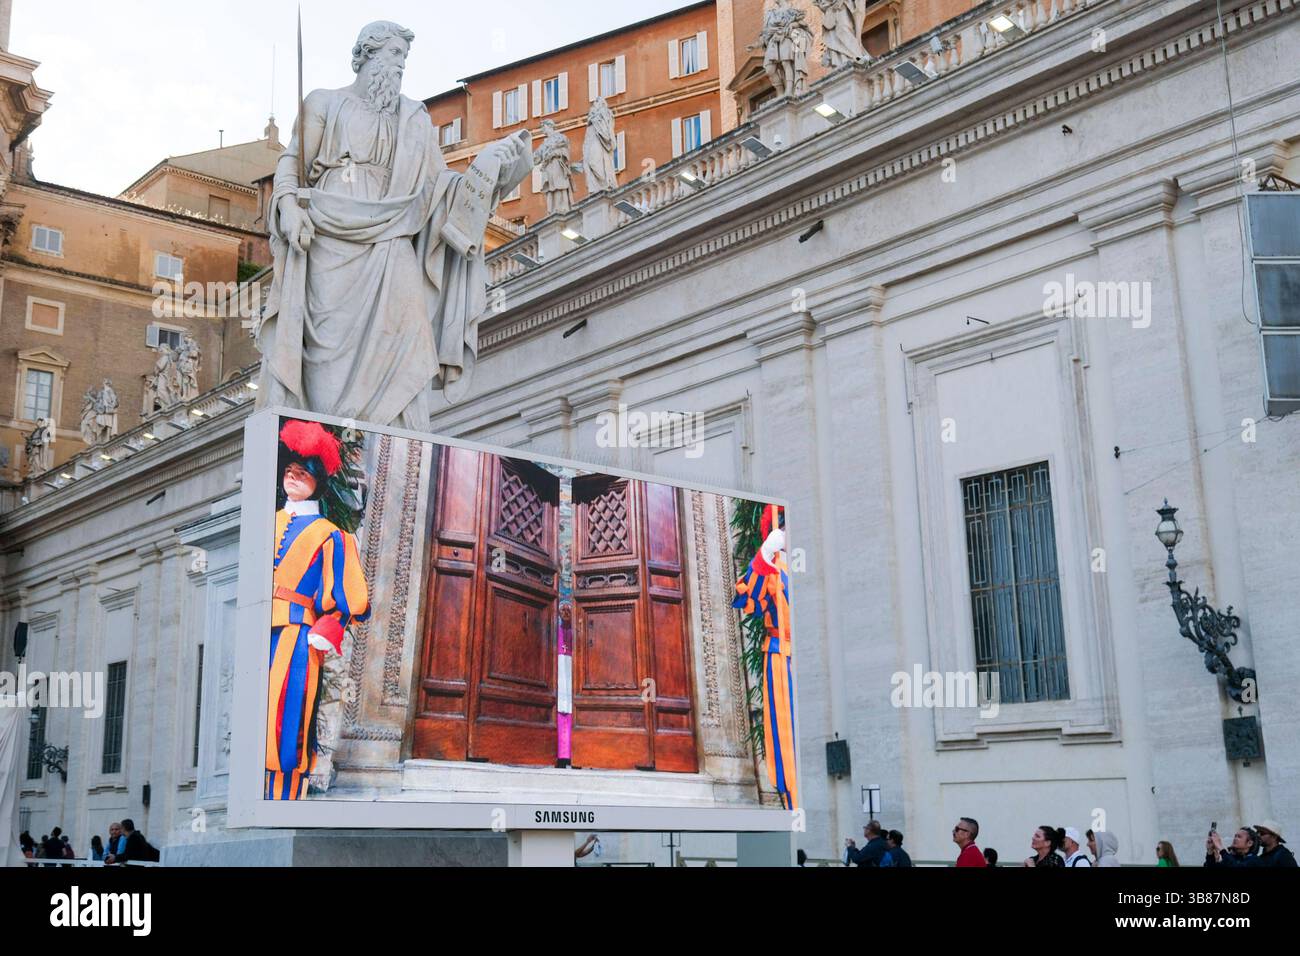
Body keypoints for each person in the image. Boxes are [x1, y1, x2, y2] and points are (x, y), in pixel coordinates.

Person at [266, 420, 370, 800]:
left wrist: (327, 627)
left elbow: (349, 597)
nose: (292, 476)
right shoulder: (267, 521)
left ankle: (283, 796)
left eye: (302, 472)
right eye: (289, 470)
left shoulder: (331, 534)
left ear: (318, 480)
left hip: (295, 631)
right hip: (256, 624)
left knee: (288, 717)